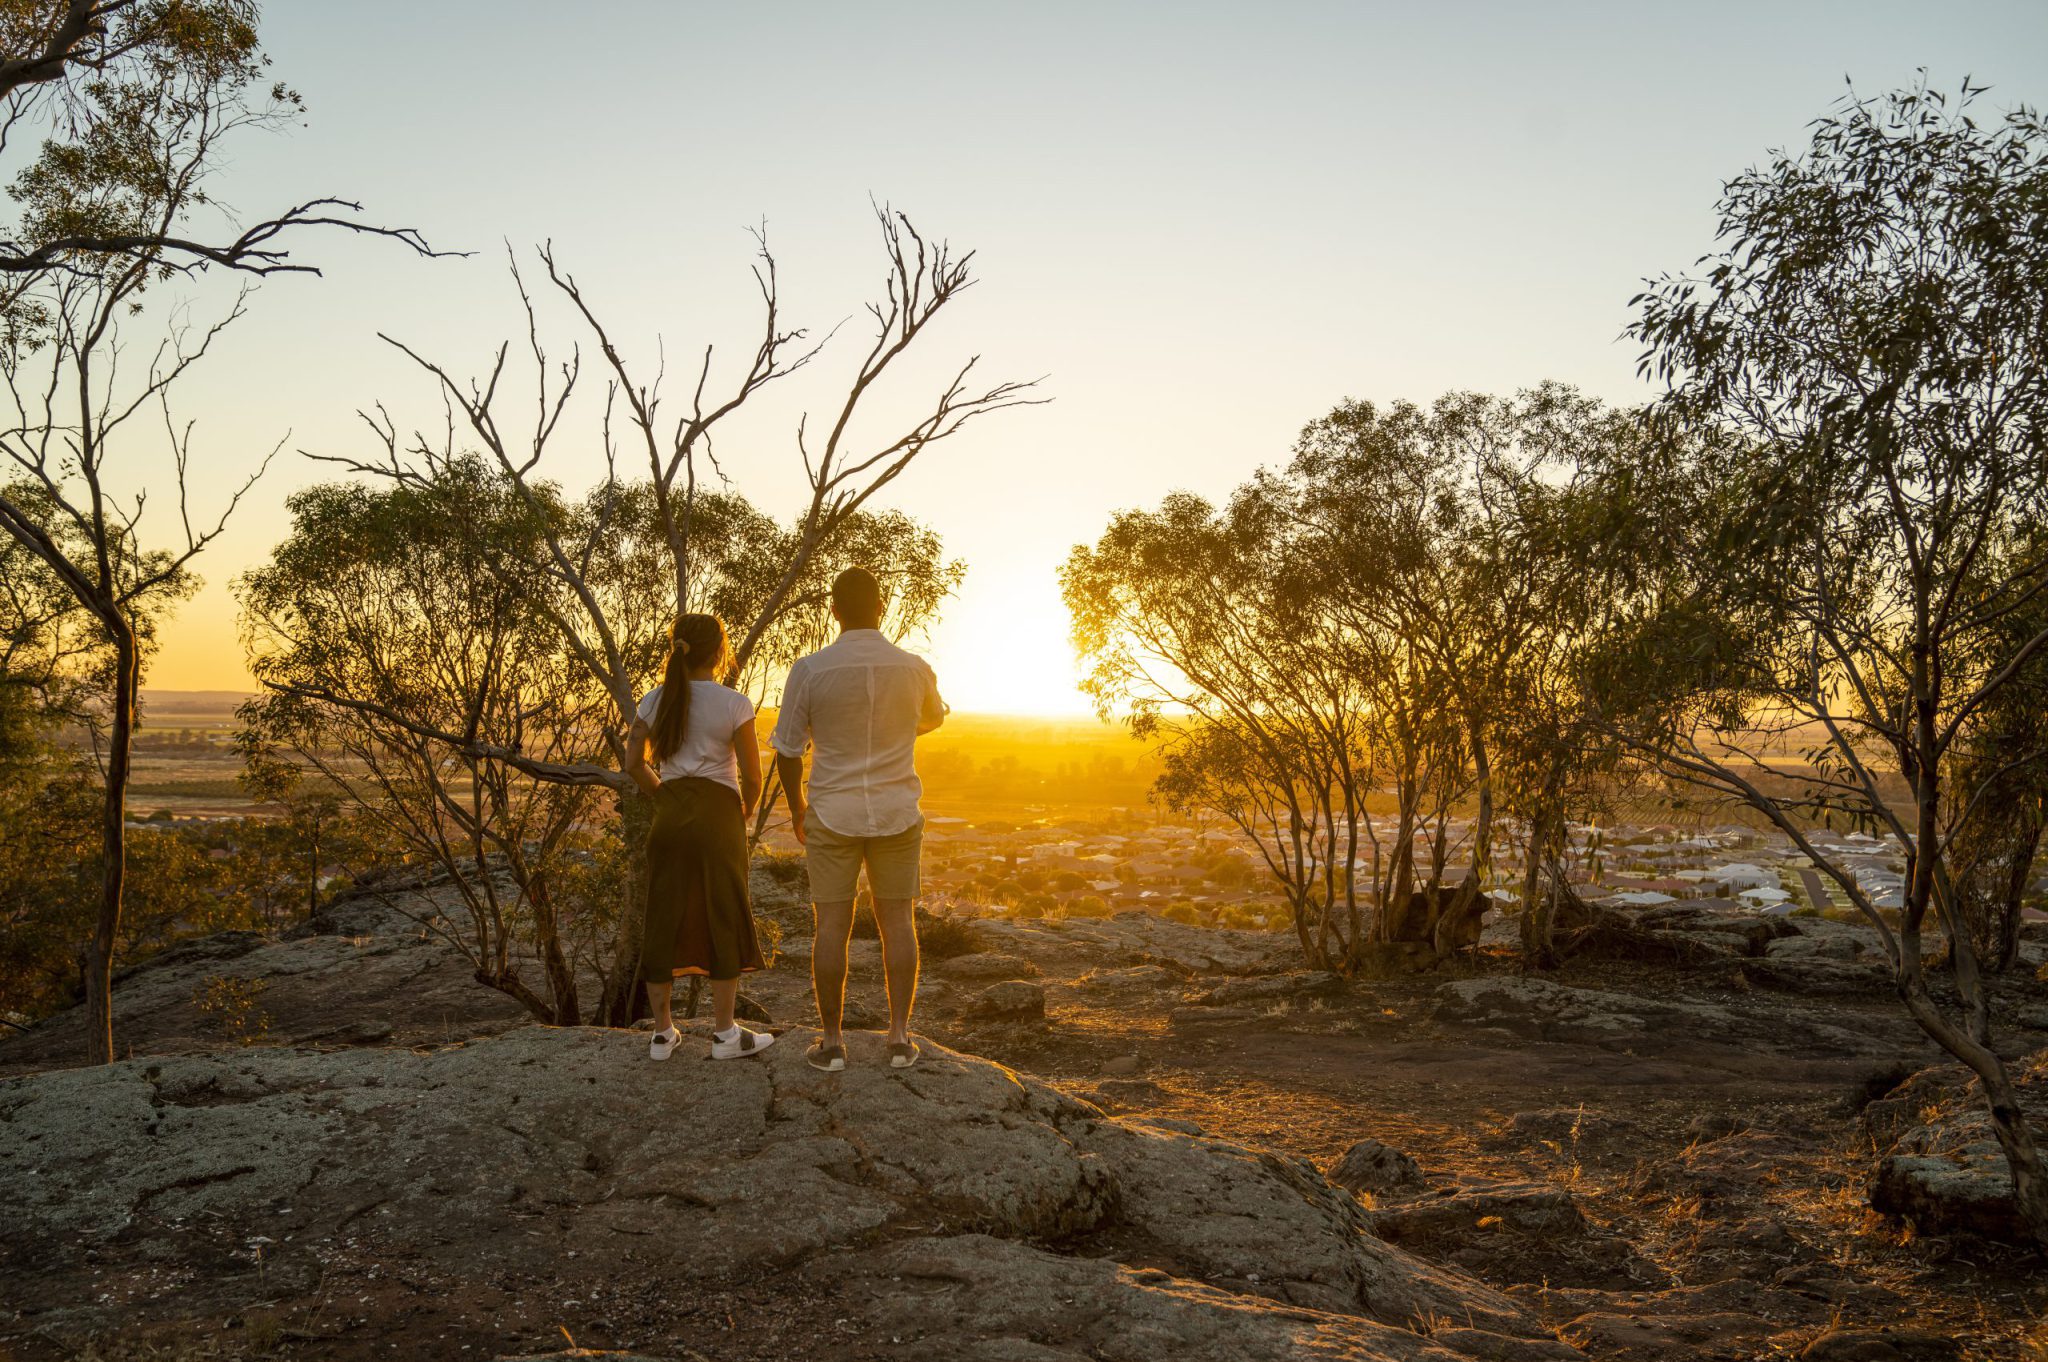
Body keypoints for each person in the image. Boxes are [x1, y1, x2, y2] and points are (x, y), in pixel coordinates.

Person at [772, 567, 947, 1072]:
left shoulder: (810, 670)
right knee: (898, 923)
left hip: (831, 809)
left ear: (833, 609)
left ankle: (831, 1044)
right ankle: (897, 1038)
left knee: (831, 926)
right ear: (881, 607)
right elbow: (932, 718)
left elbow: (786, 749)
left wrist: (797, 808)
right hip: (896, 810)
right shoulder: (914, 668)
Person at [626, 613, 774, 1062]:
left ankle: (662, 1033)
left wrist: (664, 796)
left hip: (669, 816)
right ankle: (726, 1034)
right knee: (723, 914)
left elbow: (633, 761)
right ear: (718, 653)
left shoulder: (654, 700)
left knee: (662, 914)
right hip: (719, 817)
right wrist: (742, 813)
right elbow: (752, 775)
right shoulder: (734, 702)